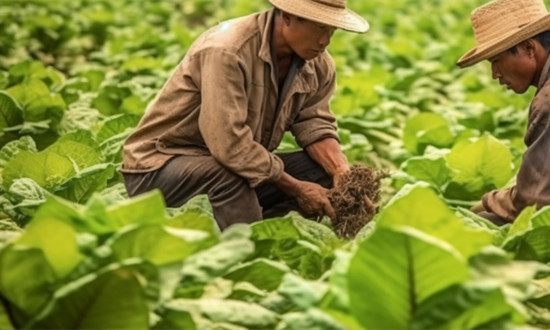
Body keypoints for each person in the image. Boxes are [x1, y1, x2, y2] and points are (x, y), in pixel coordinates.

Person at [120, 0, 369, 230]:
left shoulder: (318, 65)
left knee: (319, 171)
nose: (325, 41)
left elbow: (314, 123)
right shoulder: (227, 50)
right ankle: (246, 250)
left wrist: (342, 172)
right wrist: (296, 188)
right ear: (290, 16)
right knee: (228, 178)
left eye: (332, 31)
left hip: (231, 166)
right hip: (159, 170)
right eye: (319, 28)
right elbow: (229, 144)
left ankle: (263, 232)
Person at [458, 0, 550, 225]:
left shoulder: (547, 102)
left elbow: (534, 201)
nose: (494, 74)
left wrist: (490, 201)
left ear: (530, 49)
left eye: (497, 61)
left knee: (483, 222)